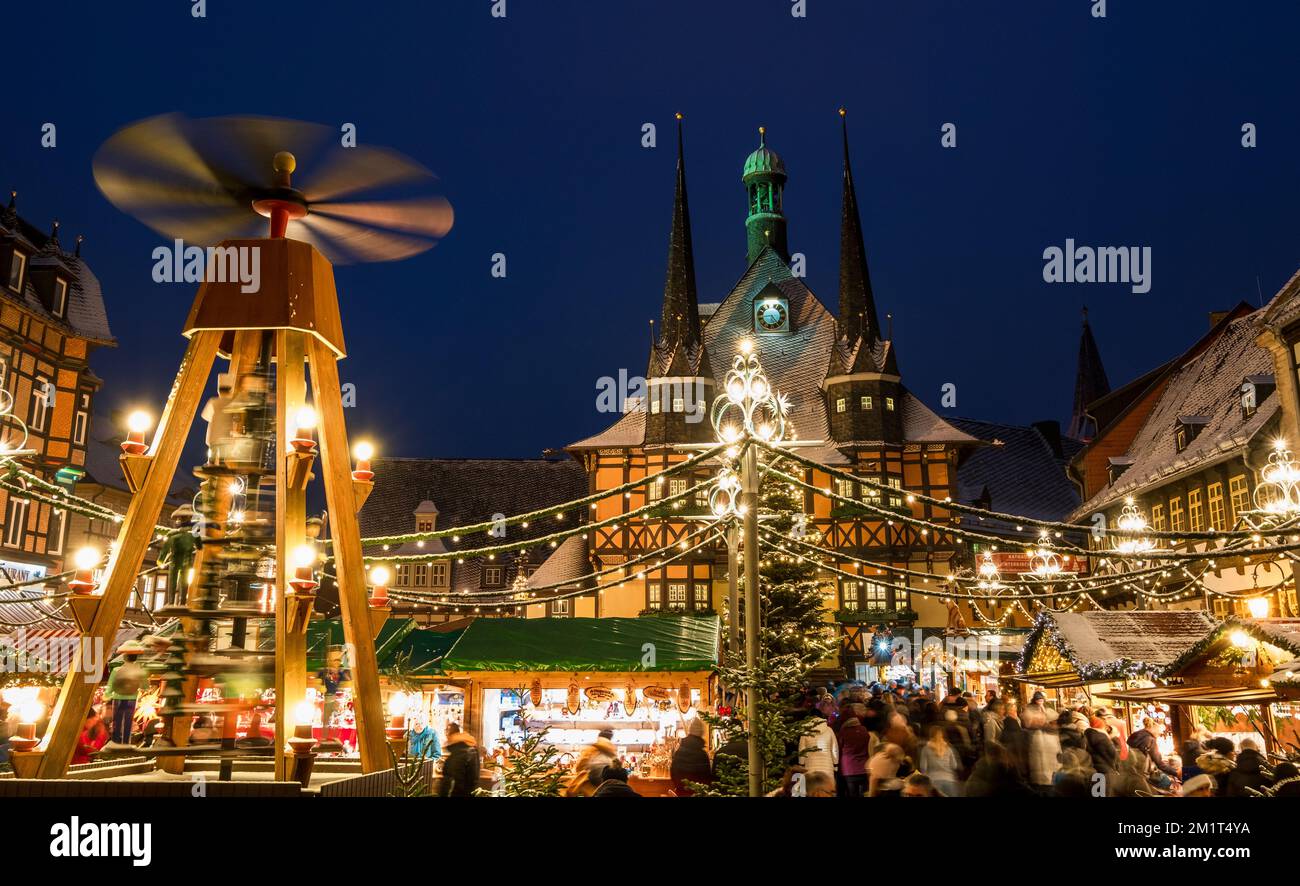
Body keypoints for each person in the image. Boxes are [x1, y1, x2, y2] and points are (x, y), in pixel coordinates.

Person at [103, 640, 148, 748]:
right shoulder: (140, 671)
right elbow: (145, 686)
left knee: (117, 721)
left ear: (124, 656)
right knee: (128, 721)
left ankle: (116, 742)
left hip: (118, 698)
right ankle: (126, 743)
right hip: (131, 698)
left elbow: (110, 685)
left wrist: (107, 694)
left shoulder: (116, 670)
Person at [563, 728, 618, 797]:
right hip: (607, 785)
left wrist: (578, 771)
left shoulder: (593, 748)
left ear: (599, 737)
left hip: (592, 784)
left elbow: (580, 765)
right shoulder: (613, 751)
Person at [669, 718, 712, 796]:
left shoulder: (679, 751)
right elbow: (706, 777)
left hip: (681, 792)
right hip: (698, 793)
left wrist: (679, 786)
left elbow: (673, 772)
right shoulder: (702, 754)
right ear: (701, 733)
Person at [1126, 717, 1178, 782]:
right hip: (1142, 775)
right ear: (1154, 729)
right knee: (1167, 782)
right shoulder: (1150, 740)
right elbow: (1160, 764)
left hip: (1130, 770)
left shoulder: (1133, 735)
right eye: (1159, 734)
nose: (1158, 736)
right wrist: (1176, 773)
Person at [919, 723, 962, 797]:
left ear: (931, 735)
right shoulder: (948, 748)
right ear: (942, 735)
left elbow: (923, 768)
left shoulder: (925, 749)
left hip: (933, 780)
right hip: (949, 780)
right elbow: (954, 766)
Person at [439, 722, 480, 797]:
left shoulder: (458, 751)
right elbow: (473, 780)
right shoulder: (470, 748)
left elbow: (451, 782)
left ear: (450, 733)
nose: (445, 734)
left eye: (446, 731)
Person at [796, 712, 838, 784]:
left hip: (810, 766)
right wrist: (835, 764)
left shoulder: (805, 731)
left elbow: (802, 750)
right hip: (827, 766)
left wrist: (801, 764)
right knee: (827, 787)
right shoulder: (829, 730)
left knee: (812, 787)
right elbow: (834, 749)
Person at [838, 715, 872, 797]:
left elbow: (839, 747)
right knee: (865, 793)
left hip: (849, 768)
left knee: (852, 793)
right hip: (864, 766)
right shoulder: (864, 730)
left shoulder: (843, 732)